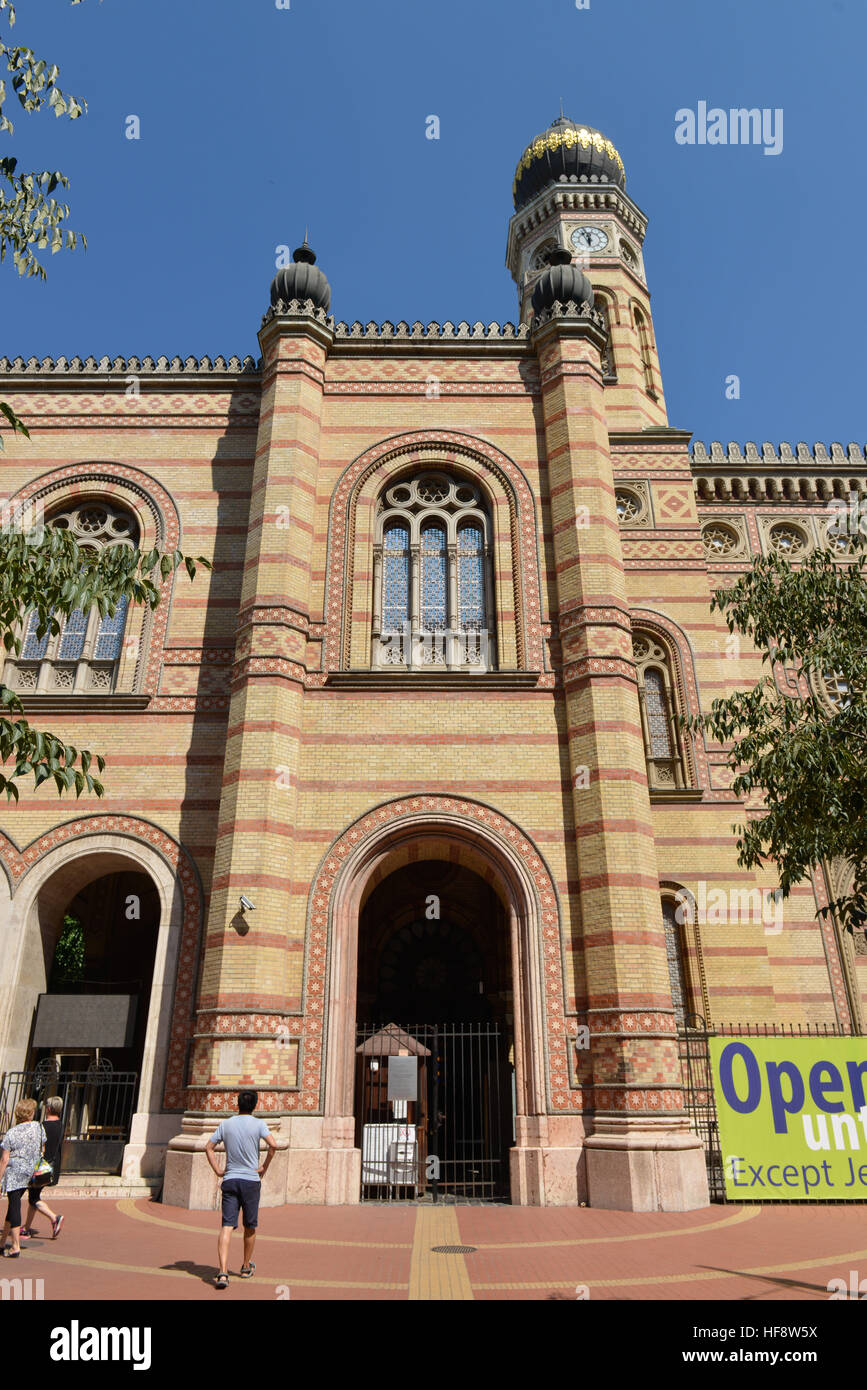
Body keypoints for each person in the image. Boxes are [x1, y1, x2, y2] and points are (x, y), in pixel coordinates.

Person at [205, 1090, 277, 1289]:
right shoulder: (259, 1124)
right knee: (250, 1226)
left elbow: (208, 1147)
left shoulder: (226, 1124)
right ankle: (245, 1266)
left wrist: (218, 1170)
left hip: (230, 1179)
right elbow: (273, 1145)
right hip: (251, 1182)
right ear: (254, 1105)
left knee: (227, 1226)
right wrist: (264, 1166)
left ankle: (222, 1273)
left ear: (237, 1104)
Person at [0, 1098, 46, 1257]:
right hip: (29, 1171)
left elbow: (4, 1159)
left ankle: (15, 1246)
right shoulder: (38, 1128)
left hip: (14, 1172)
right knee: (13, 1206)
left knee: (14, 1206)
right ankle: (2, 1241)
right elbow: (43, 1148)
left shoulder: (12, 1133)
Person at [20, 1096, 64, 1241]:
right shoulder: (60, 1126)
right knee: (34, 1195)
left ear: (49, 1108)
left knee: (33, 1198)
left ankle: (54, 1217)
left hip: (39, 1167)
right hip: (51, 1167)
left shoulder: (42, 1126)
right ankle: (26, 1228)